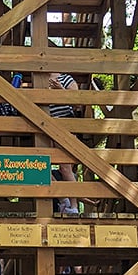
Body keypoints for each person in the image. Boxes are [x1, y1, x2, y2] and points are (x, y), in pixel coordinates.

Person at [48, 72, 79, 215]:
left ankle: (74, 206)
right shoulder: (38, 79)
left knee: (65, 168)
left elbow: (77, 102)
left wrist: (60, 89)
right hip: (44, 126)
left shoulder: (66, 78)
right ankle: (63, 200)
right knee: (40, 165)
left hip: (65, 124)